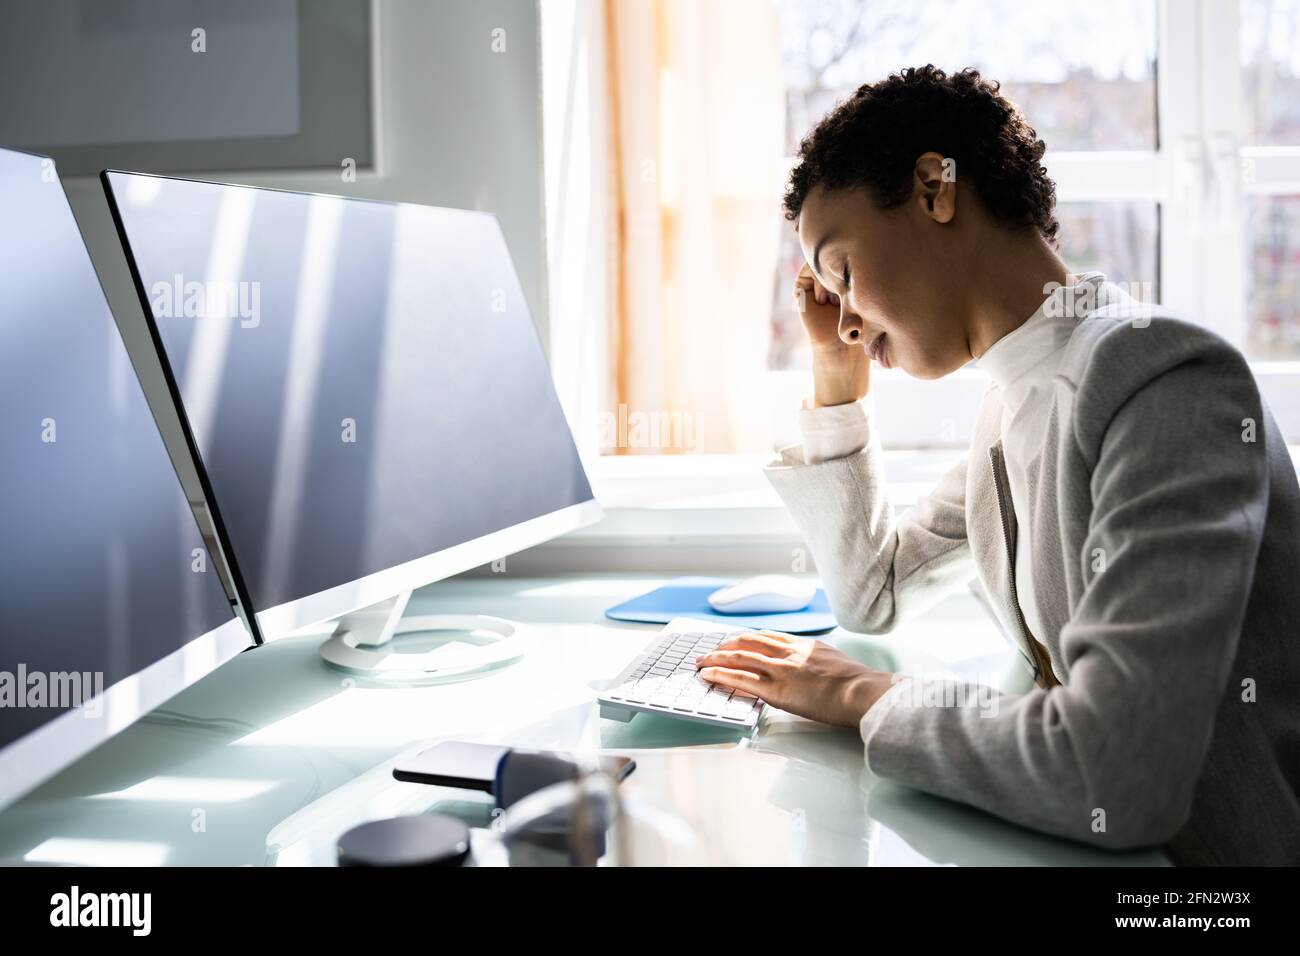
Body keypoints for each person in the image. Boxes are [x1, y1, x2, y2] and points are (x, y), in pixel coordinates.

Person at [695, 65, 1300, 865]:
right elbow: (872, 592)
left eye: (843, 271)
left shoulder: (1158, 377)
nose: (843, 321)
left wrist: (860, 692)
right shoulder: (1011, 408)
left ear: (934, 189)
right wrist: (836, 378)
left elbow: (1119, 771)